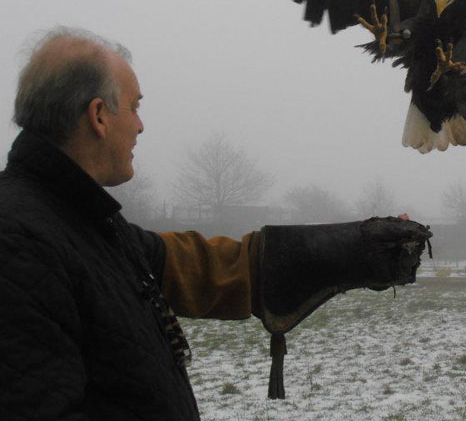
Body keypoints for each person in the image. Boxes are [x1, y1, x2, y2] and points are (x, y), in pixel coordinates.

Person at [0, 27, 431, 420]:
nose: (141, 125)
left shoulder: (84, 223)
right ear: (98, 115)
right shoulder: (19, 241)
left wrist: (349, 250)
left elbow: (193, 266)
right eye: (134, 107)